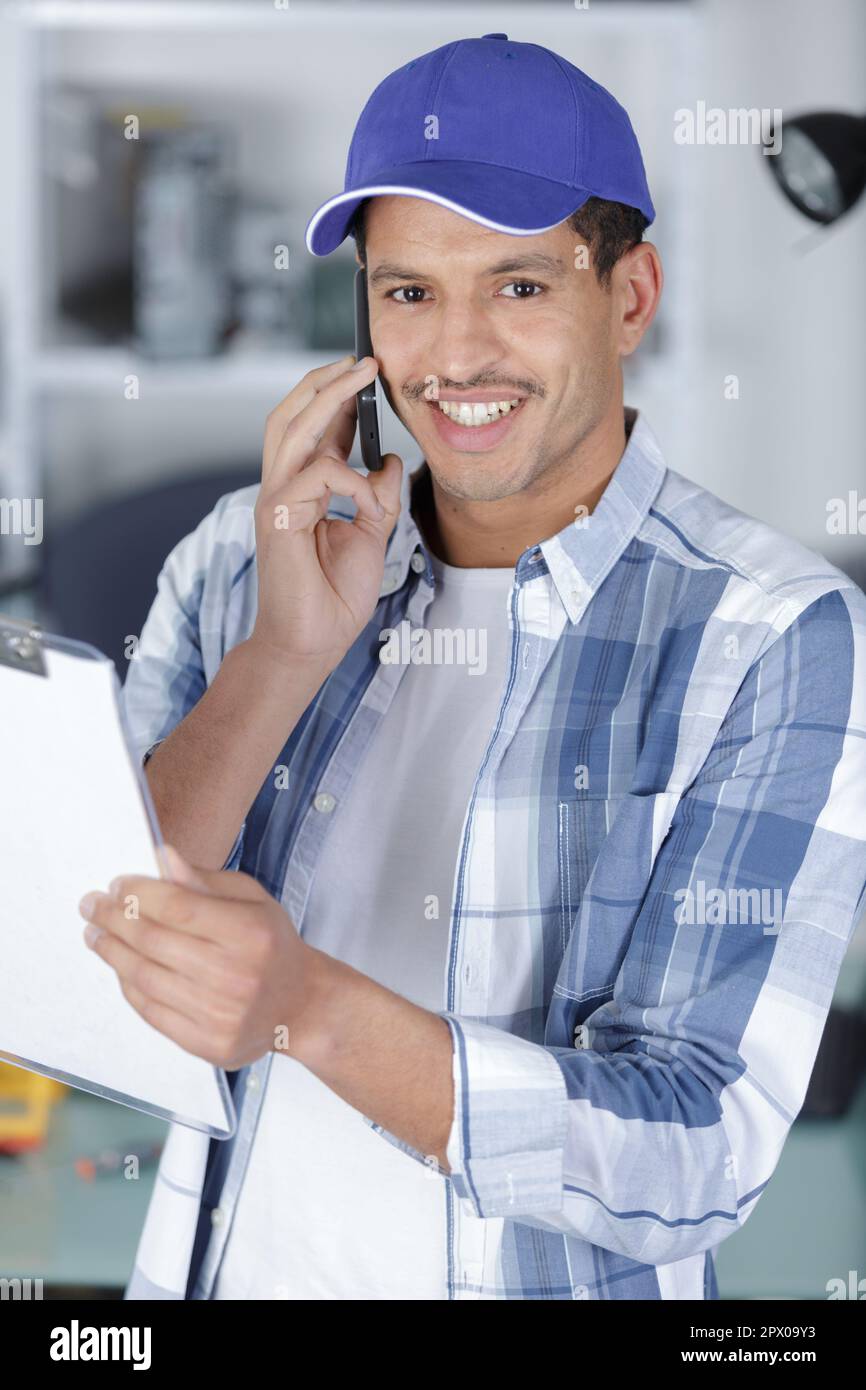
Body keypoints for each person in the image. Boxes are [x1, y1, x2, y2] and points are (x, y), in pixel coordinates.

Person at [83, 34, 866, 1301]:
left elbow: (689, 1154)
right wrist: (283, 651)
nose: (453, 357)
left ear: (627, 296)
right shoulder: (244, 557)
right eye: (405, 293)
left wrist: (308, 1006)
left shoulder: (769, 634)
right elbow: (98, 957)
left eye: (516, 287)